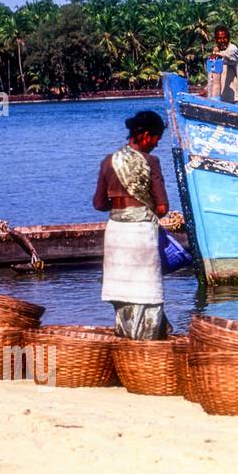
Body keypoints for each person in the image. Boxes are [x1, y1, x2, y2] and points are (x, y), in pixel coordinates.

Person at [93, 110, 173, 339]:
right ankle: (148, 344)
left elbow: (99, 203)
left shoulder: (109, 161)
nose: (157, 145)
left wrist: (120, 206)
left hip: (116, 233)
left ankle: (126, 340)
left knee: (123, 292)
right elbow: (162, 208)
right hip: (140, 235)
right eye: (157, 139)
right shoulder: (151, 162)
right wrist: (141, 207)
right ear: (146, 136)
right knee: (148, 294)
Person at [211, 25, 238, 104]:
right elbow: (214, 76)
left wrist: (218, 55)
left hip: (235, 100)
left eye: (225, 38)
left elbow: (227, 55)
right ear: (216, 40)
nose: (222, 40)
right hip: (222, 100)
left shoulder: (233, 49)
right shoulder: (216, 51)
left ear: (229, 38)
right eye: (219, 38)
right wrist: (206, 89)